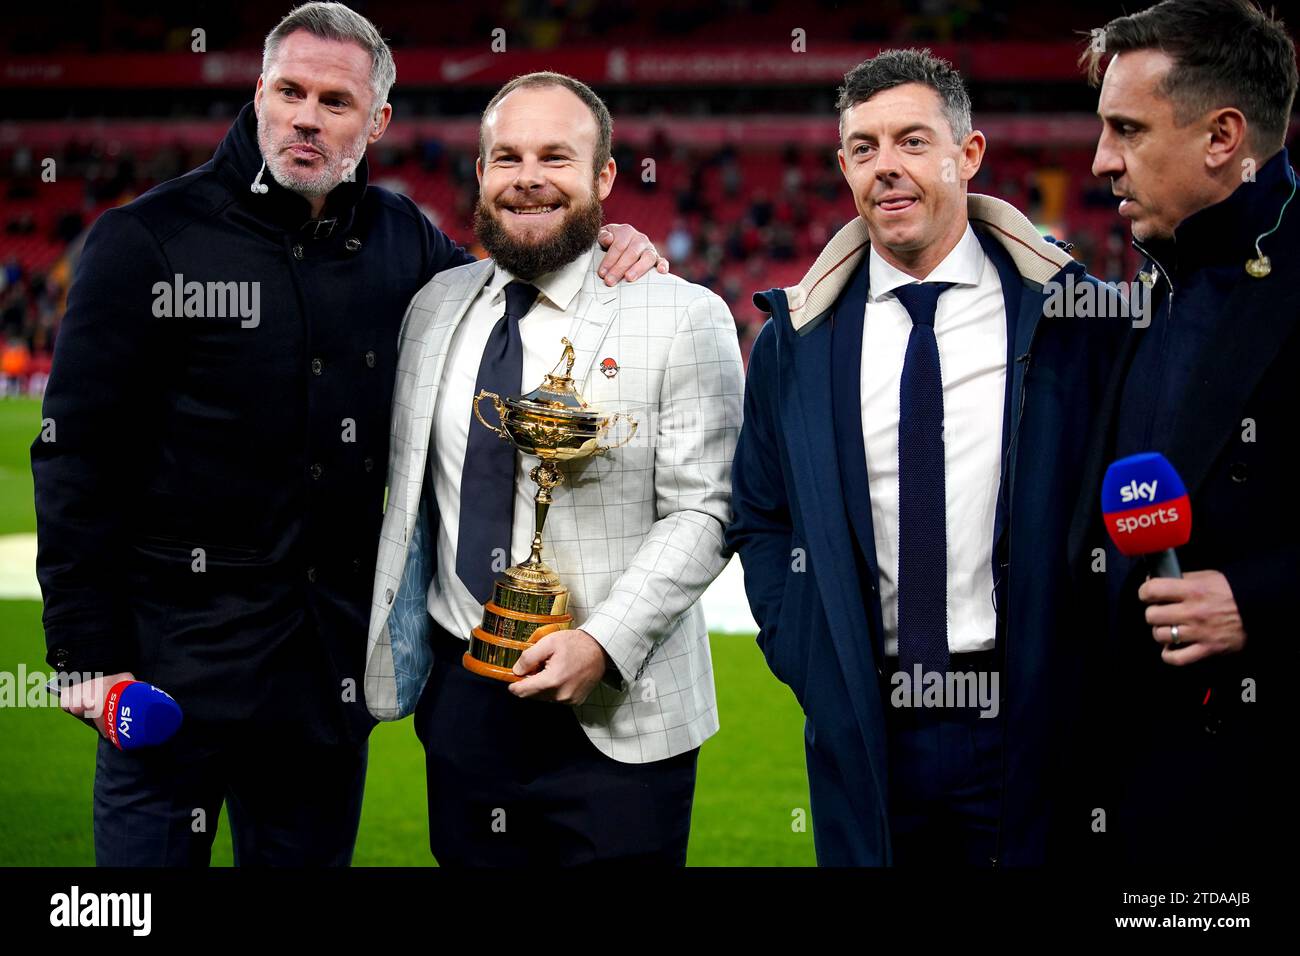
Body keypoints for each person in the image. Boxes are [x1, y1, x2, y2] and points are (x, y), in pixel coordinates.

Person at [32, 2, 663, 867]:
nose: (305, 116)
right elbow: (75, 461)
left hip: (321, 698)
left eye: (335, 102)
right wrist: (81, 658)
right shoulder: (145, 242)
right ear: (258, 94)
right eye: (289, 91)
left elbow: (509, 282)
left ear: (377, 122)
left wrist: (599, 239)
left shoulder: (401, 238)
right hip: (168, 676)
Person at [725, 49, 1124, 866]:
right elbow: (763, 518)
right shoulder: (794, 344)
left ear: (968, 155)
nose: (887, 168)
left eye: (912, 141)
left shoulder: (1077, 322)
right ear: (842, 167)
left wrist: (1076, 667)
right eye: (864, 148)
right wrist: (811, 661)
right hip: (866, 723)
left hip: (1029, 722)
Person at [363, 71, 743, 866]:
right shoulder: (433, 306)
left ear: (605, 177)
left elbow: (706, 510)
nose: (528, 178)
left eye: (556, 158)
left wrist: (602, 643)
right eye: (507, 158)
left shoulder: (683, 315)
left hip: (620, 710)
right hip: (465, 696)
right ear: (480, 173)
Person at [1066, 0, 1298, 865]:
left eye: (1127, 129)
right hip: (1132, 774)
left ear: (1221, 137)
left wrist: (1260, 599)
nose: (1101, 162)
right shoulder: (1160, 274)